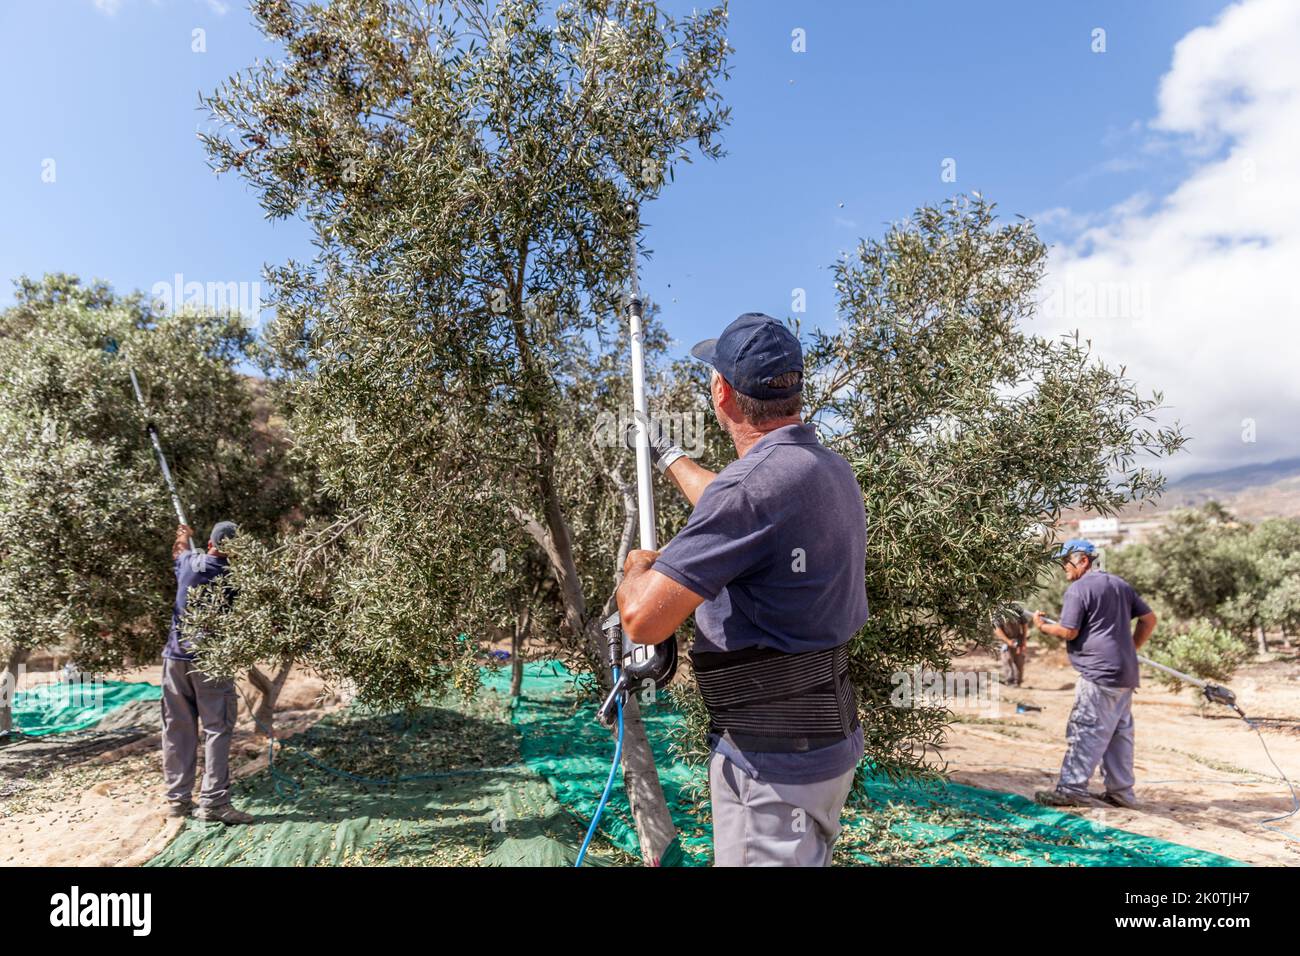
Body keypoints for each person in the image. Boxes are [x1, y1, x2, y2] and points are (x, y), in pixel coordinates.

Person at [616, 312, 868, 866]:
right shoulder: (824, 467)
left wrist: (638, 567)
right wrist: (667, 454)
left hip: (771, 770)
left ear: (722, 391)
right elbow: (735, 504)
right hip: (825, 747)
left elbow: (641, 619)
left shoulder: (751, 489)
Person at [1032, 539, 1157, 809]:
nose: (1063, 568)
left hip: (1099, 673)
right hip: (1125, 673)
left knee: (1086, 728)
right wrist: (1130, 649)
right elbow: (1150, 619)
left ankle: (1071, 789)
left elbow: (1069, 631)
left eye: (1066, 562)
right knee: (1118, 733)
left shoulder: (1079, 589)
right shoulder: (1119, 584)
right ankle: (1121, 793)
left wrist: (1042, 627)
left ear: (1083, 561)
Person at [161, 520, 253, 824]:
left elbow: (180, 552)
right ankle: (214, 802)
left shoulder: (188, 564)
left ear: (211, 542)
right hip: (209, 662)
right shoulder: (231, 577)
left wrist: (183, 535)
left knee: (177, 728)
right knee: (217, 728)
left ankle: (178, 800)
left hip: (175, 659)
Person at [993, 608, 1029, 687]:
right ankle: (1010, 681)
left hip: (1018, 640)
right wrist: (1007, 641)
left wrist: (1024, 640)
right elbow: (997, 629)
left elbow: (1025, 624)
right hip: (1005, 641)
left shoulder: (1017, 610)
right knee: (1007, 660)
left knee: (1019, 661)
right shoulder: (999, 613)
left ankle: (1018, 681)